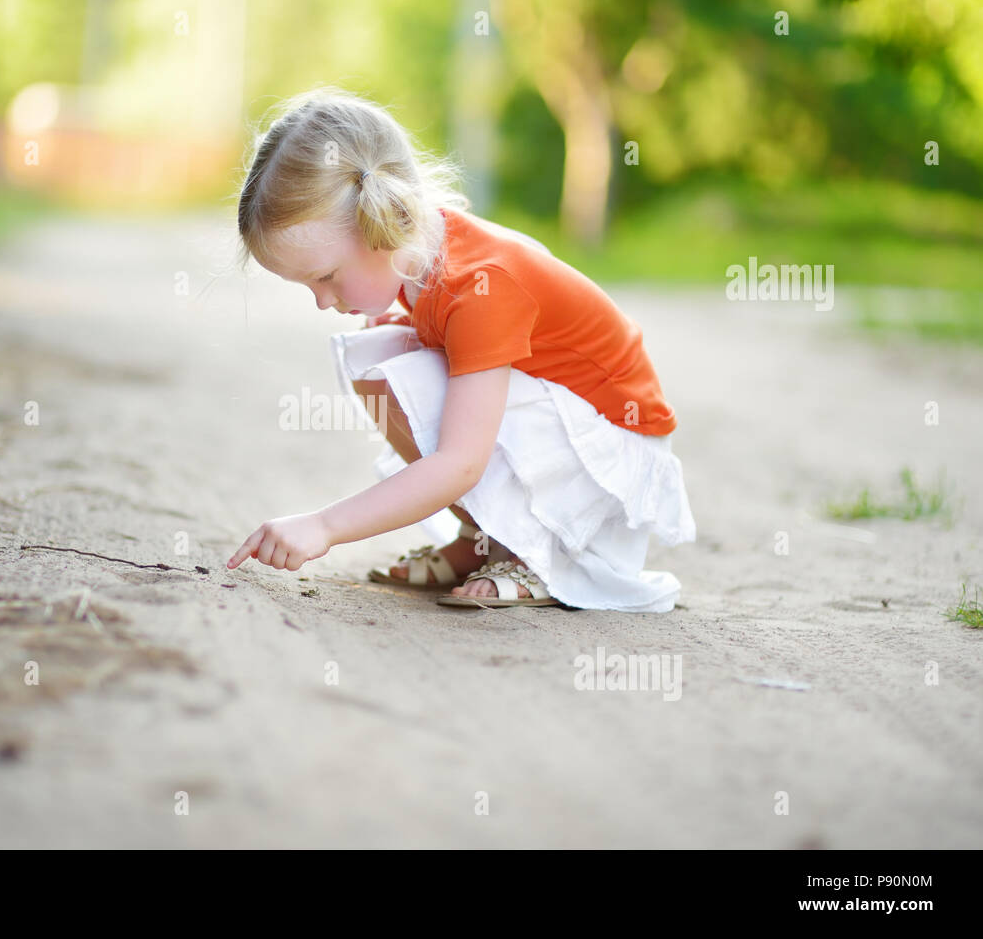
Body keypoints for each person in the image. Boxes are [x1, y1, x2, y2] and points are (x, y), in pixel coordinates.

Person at [226, 86, 696, 612]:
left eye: (327, 278)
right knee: (380, 356)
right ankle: (485, 540)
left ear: (383, 221)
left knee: (404, 372)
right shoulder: (426, 258)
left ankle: (537, 554)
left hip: (609, 458)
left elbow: (460, 463)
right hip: (568, 427)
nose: (321, 302)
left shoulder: (481, 285)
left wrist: (324, 526)